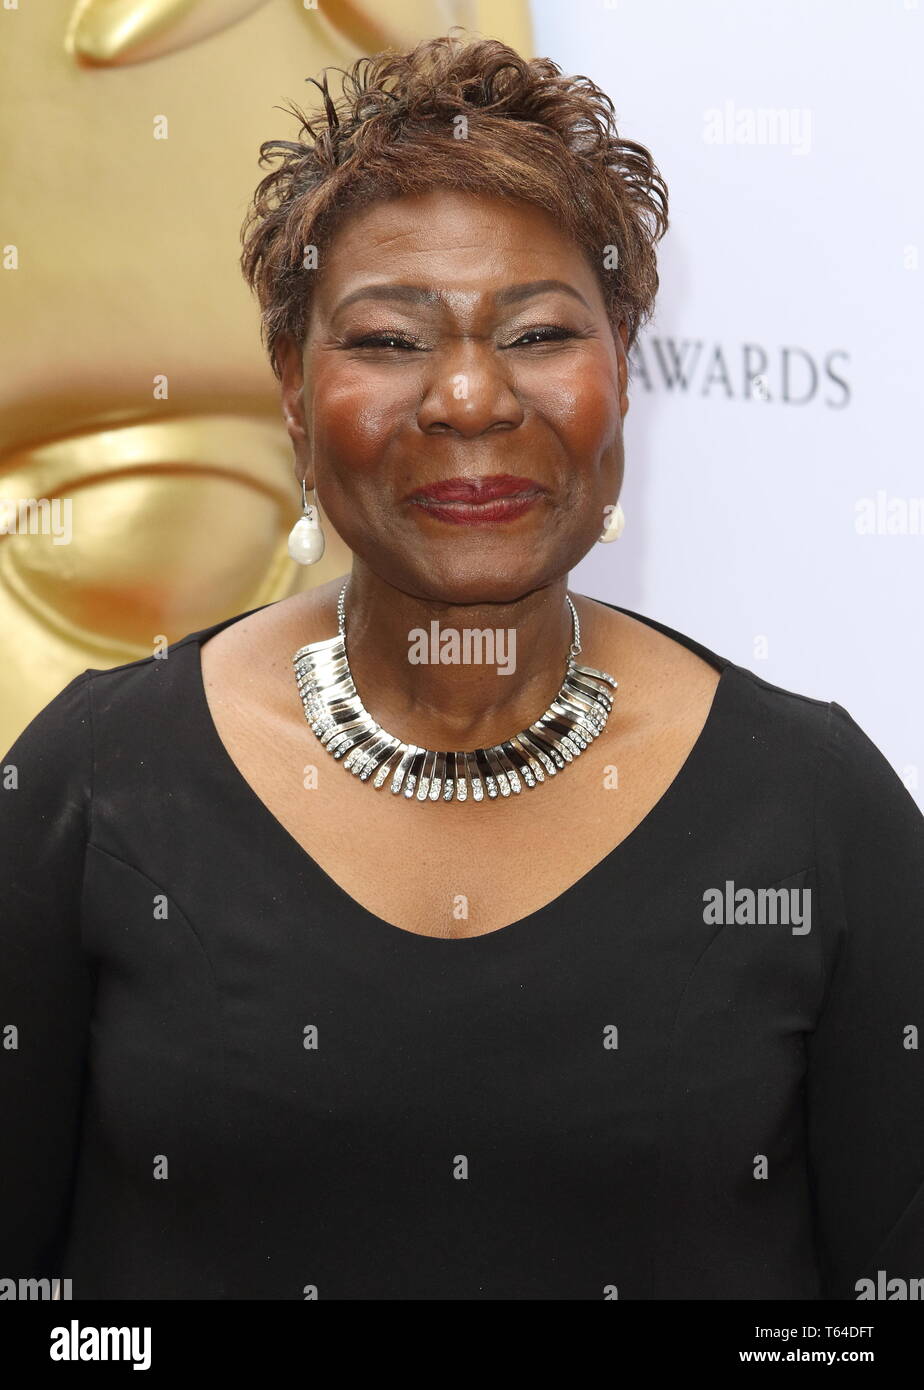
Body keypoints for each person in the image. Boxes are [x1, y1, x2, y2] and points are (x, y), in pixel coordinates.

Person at [2, 33, 922, 1302]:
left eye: (539, 332)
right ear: (292, 396)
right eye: (389, 340)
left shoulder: (816, 809)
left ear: (623, 373)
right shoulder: (95, 782)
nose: (471, 398)